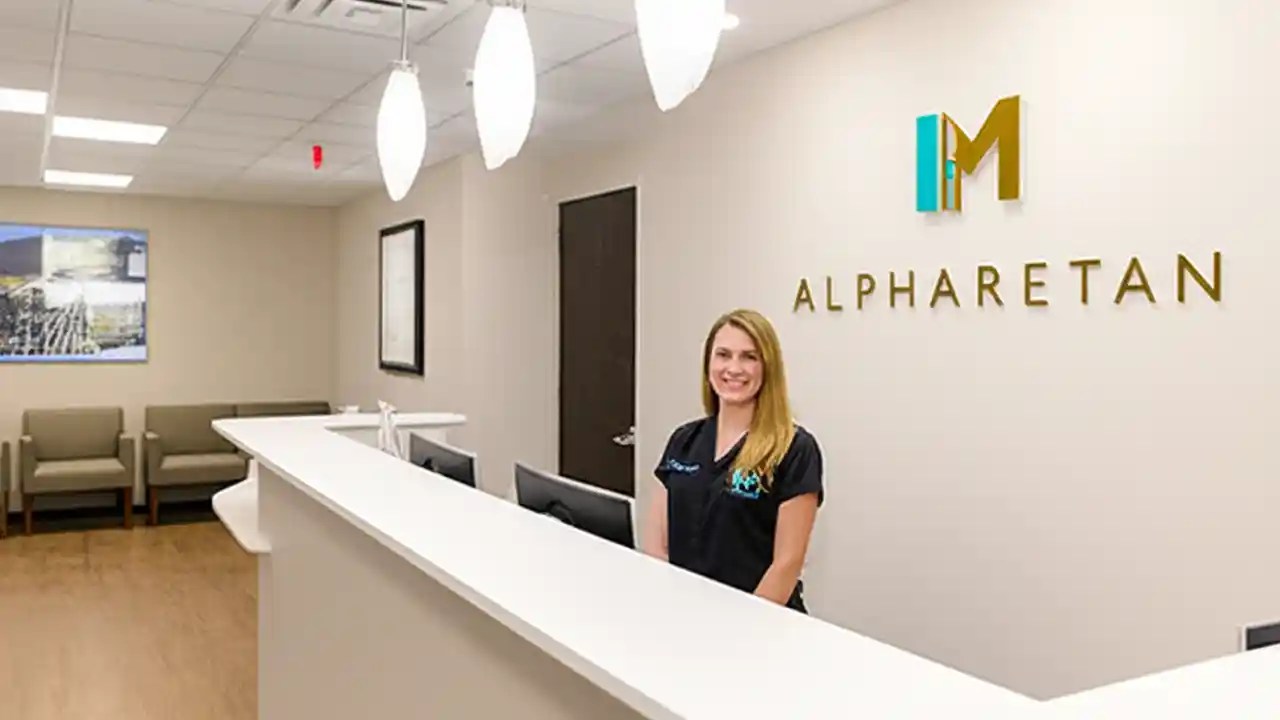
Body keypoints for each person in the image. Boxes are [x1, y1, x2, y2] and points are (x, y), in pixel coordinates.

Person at [644, 308, 824, 613]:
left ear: (768, 367)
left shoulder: (794, 449)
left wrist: (740, 628)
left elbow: (787, 563)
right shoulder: (684, 440)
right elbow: (656, 543)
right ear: (708, 364)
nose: (734, 368)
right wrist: (671, 607)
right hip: (685, 618)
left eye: (749, 357)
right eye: (723, 355)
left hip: (760, 628)